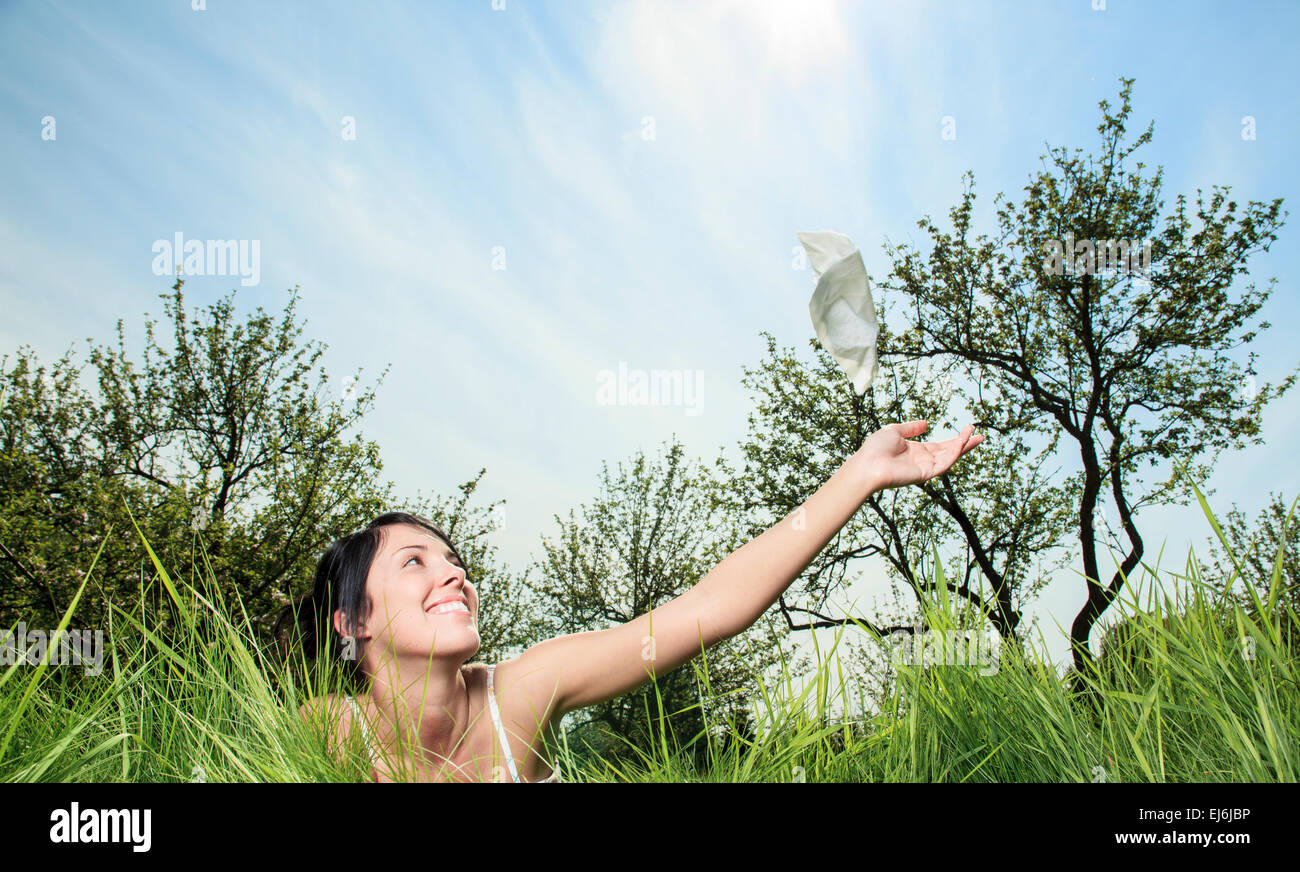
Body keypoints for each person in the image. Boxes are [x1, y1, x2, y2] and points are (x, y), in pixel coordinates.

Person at [287, 419, 983, 782]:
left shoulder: (520, 695)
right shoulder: (323, 735)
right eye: (415, 562)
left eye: (456, 561)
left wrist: (859, 475)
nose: (454, 576)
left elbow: (710, 609)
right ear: (355, 621)